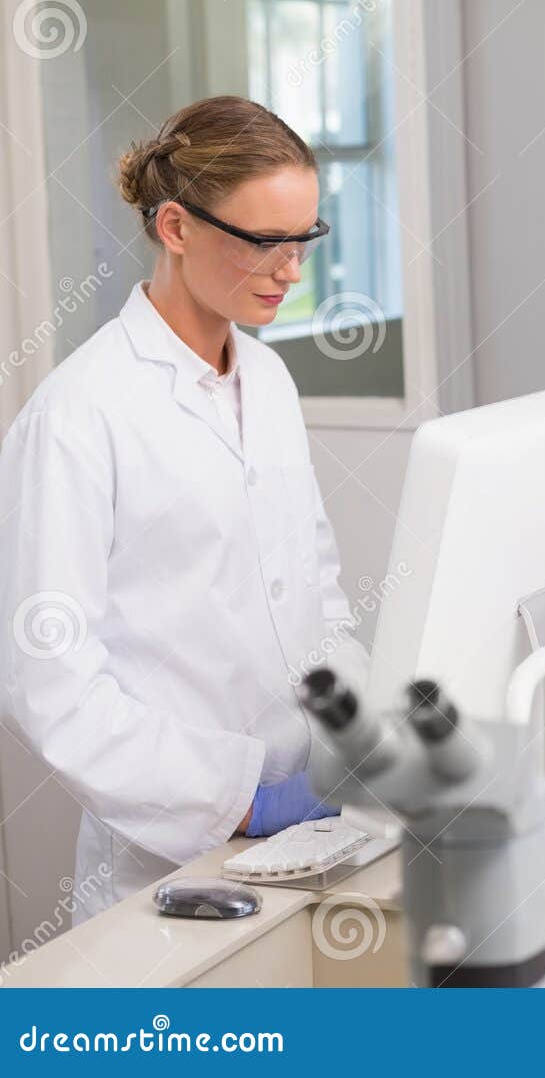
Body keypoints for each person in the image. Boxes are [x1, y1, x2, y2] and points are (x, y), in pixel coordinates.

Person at [0, 96, 365, 920]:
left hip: (307, 840)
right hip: (167, 868)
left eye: (305, 238)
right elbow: (47, 680)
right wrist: (235, 800)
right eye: (265, 242)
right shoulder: (80, 413)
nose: (291, 269)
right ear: (175, 227)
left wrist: (365, 733)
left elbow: (317, 591)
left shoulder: (267, 380)